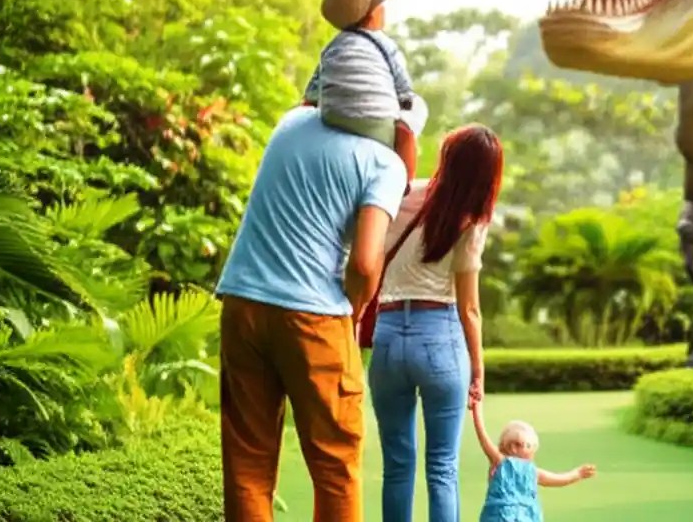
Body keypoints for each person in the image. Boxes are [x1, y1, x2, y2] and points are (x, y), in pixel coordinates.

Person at [214, 102, 411, 522]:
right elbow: (363, 262)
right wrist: (354, 312)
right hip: (314, 316)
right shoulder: (387, 163)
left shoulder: (293, 121)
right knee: (335, 468)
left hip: (242, 303)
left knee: (247, 465)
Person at [367, 124, 504, 522]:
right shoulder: (472, 219)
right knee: (442, 468)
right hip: (440, 338)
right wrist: (478, 370)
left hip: (389, 335)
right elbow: (470, 309)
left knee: (397, 466)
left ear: (447, 157)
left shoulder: (402, 193)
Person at [303, 0, 421, 185]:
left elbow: (311, 96)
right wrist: (406, 106)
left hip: (333, 119)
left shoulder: (331, 48)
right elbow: (403, 90)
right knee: (414, 113)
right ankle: (404, 182)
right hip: (374, 127)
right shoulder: (383, 44)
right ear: (372, 15)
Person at [471, 402, 597, 522]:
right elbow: (483, 437)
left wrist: (577, 474)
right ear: (514, 447)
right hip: (502, 515)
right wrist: (477, 410)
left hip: (524, 516)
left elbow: (557, 479)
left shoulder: (531, 471)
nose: (533, 452)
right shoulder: (501, 462)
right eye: (529, 446)